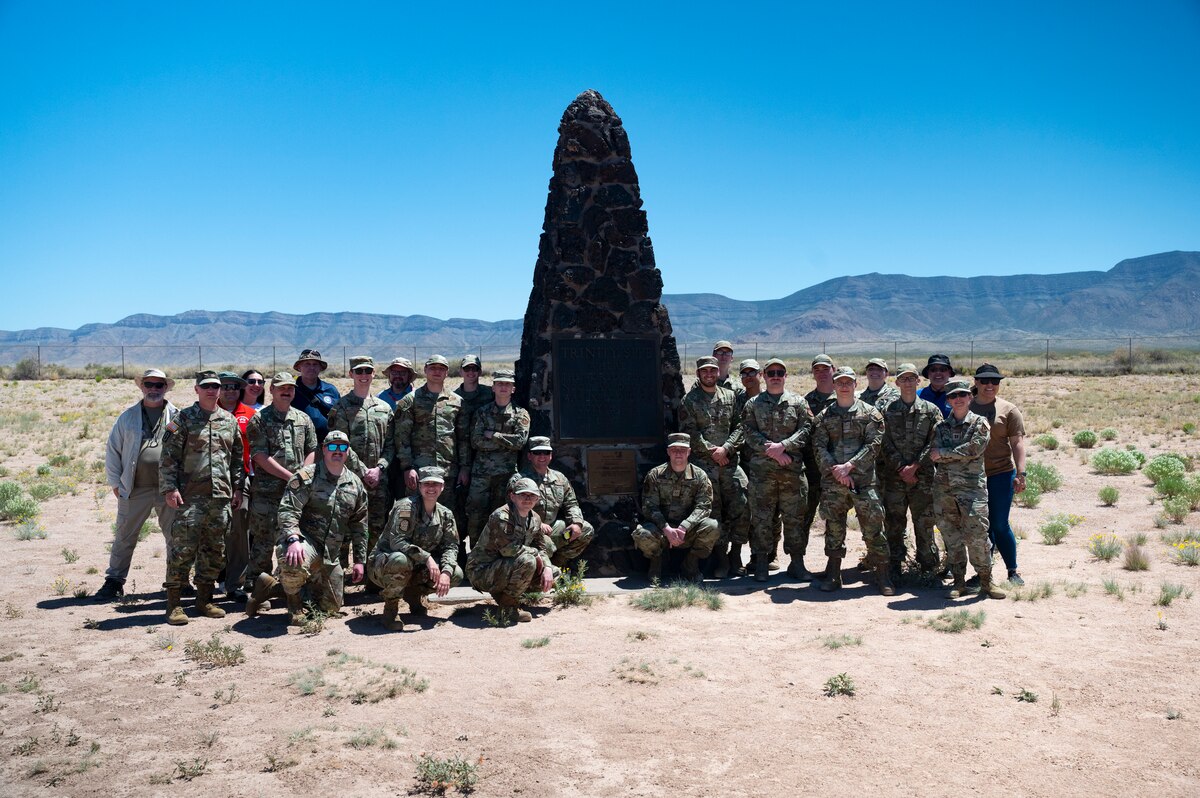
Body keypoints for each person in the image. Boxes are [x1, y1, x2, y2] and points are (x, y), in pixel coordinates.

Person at [159, 371, 245, 625]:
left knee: (214, 550)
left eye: (215, 386)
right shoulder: (183, 419)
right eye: (206, 386)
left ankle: (205, 600)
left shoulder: (229, 421)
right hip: (190, 497)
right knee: (182, 550)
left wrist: (238, 489)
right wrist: (169, 488)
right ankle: (174, 604)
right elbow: (168, 457)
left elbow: (237, 459)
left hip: (220, 498)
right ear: (196, 389)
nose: (211, 390)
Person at [97, 369, 180, 601]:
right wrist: (116, 483)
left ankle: (177, 581)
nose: (153, 389)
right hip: (135, 488)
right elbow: (113, 450)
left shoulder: (177, 417)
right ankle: (114, 581)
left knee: (176, 536)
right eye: (149, 384)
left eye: (158, 385)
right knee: (125, 536)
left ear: (166, 388)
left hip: (168, 488)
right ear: (141, 387)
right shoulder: (127, 417)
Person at [272, 430, 369, 626]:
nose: (337, 451)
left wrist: (360, 560)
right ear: (324, 450)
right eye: (332, 446)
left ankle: (271, 587)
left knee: (331, 607)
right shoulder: (307, 476)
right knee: (294, 561)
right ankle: (294, 605)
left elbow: (360, 524)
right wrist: (293, 538)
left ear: (348, 451)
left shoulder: (355, 484)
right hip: (305, 543)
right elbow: (288, 510)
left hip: (330, 554)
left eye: (342, 447)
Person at [811, 367, 892, 594]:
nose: (844, 386)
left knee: (873, 527)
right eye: (840, 382)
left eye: (848, 382)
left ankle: (882, 574)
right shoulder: (824, 417)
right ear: (834, 386)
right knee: (834, 527)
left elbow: (873, 445)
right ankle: (833, 573)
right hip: (834, 481)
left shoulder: (871, 414)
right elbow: (819, 446)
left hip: (864, 481)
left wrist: (850, 467)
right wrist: (837, 471)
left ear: (856, 384)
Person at [242, 372, 317, 601]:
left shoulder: (303, 418)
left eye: (290, 388)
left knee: (294, 540)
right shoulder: (259, 420)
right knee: (263, 544)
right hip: (267, 493)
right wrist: (291, 477)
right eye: (281, 388)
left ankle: (291, 587)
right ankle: (257, 592)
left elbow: (312, 449)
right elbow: (259, 456)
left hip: (296, 496)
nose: (286, 391)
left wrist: (303, 475)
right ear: (272, 390)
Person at [930, 380, 1006, 600]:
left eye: (962, 395)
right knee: (951, 536)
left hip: (972, 490)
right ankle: (959, 582)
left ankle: (986, 581)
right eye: (953, 396)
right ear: (948, 401)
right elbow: (933, 454)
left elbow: (974, 449)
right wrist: (949, 454)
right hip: (945, 490)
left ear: (970, 397)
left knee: (977, 536)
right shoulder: (940, 427)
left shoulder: (979, 423)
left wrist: (945, 453)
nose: (958, 399)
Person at [743, 358, 815, 582]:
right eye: (771, 373)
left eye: (780, 373)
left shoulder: (798, 403)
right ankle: (761, 563)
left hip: (791, 472)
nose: (775, 376)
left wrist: (783, 446)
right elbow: (748, 432)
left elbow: (806, 429)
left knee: (795, 519)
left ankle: (797, 563)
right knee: (761, 518)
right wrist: (772, 451)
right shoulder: (753, 404)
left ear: (785, 376)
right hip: (762, 473)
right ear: (764, 376)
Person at [679, 355, 749, 578]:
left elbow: (740, 426)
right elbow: (690, 432)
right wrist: (713, 452)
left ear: (718, 372)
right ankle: (722, 560)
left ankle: (736, 554)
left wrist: (726, 449)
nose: (709, 374)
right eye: (704, 371)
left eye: (712, 370)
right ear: (698, 374)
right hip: (705, 467)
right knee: (713, 511)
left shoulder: (730, 396)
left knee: (742, 506)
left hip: (729, 463)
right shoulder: (689, 401)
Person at [369, 466, 463, 631]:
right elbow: (397, 541)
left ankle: (413, 595)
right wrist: (427, 558)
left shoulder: (445, 514)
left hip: (416, 567)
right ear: (419, 486)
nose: (431, 488)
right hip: (385, 565)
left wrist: (446, 572)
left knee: (456, 573)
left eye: (435, 484)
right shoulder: (406, 508)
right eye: (427, 484)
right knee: (400, 560)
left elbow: (451, 546)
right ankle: (390, 609)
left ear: (442, 487)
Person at [878, 363, 942, 586]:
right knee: (894, 525)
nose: (907, 382)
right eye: (903, 379)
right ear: (896, 382)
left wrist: (914, 466)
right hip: (894, 478)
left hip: (922, 478)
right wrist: (901, 468)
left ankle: (928, 569)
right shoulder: (887, 410)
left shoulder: (931, 411)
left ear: (918, 381)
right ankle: (894, 569)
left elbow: (935, 441)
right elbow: (882, 441)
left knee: (924, 524)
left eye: (911, 378)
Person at [326, 356, 394, 561]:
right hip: (347, 479)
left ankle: (370, 571)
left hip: (379, 481)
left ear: (373, 374)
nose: (363, 375)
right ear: (351, 374)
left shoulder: (384, 408)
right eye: (358, 371)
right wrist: (364, 472)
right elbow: (340, 445)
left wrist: (379, 468)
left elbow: (391, 444)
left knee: (376, 528)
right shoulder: (341, 407)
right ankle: (340, 573)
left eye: (367, 371)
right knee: (344, 527)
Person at [466, 477, 556, 623]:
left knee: (553, 573)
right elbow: (507, 549)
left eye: (531, 495)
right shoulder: (502, 516)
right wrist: (535, 554)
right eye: (523, 495)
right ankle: (507, 609)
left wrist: (547, 567)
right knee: (528, 561)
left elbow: (541, 547)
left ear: (537, 498)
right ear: (513, 497)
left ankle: (505, 596)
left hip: (505, 567)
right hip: (482, 570)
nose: (527, 499)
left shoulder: (535, 519)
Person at [632, 433, 720, 582]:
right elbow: (649, 507)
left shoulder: (700, 476)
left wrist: (684, 527)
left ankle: (690, 564)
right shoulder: (655, 475)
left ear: (689, 452)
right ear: (668, 452)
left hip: (688, 531)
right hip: (662, 530)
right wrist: (666, 528)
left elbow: (704, 506)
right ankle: (656, 562)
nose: (678, 453)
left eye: (682, 450)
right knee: (642, 534)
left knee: (713, 527)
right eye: (674, 450)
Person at [969, 363, 1027, 586]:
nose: (989, 385)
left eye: (994, 381)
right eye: (984, 381)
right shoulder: (965, 405)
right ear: (976, 382)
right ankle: (983, 574)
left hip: (1001, 473)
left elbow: (1017, 443)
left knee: (999, 523)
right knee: (980, 527)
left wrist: (1021, 473)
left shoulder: (1009, 410)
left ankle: (1012, 571)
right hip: (972, 476)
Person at [389, 355, 469, 507]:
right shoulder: (410, 401)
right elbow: (402, 437)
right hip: (419, 472)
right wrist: (407, 467)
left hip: (448, 471)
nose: (437, 371)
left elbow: (463, 438)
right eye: (433, 368)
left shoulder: (457, 402)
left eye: (441, 368)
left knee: (446, 514)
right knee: (415, 512)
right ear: (425, 370)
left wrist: (464, 467)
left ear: (447, 372)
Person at [465, 368, 529, 547]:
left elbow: (520, 442)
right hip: (481, 474)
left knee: (503, 514)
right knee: (476, 514)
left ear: (513, 389)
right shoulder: (482, 412)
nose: (503, 387)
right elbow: (476, 442)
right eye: (499, 383)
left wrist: (493, 435)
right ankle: (476, 553)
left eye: (507, 384)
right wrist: (506, 443)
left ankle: (499, 552)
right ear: (493, 387)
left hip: (506, 474)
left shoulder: (520, 414)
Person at [517, 437, 595, 568]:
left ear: (551, 455)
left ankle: (557, 567)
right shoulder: (519, 480)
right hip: (529, 531)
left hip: (553, 528)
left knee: (585, 530)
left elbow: (571, 503)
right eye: (537, 453)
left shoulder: (559, 478)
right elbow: (514, 509)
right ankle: (538, 572)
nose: (542, 456)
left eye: (546, 452)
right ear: (530, 456)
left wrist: (576, 523)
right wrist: (537, 523)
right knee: (546, 545)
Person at [216, 371, 255, 601]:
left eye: (234, 387)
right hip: (208, 481)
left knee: (239, 532)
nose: (230, 391)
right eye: (225, 386)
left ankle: (235, 583)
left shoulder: (250, 415)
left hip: (241, 479)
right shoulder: (206, 412)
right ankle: (207, 581)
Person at [798, 354, 837, 568]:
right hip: (812, 470)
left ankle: (833, 564)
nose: (821, 373)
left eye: (825, 369)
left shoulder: (844, 397)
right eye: (817, 369)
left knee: (835, 518)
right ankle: (798, 562)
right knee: (804, 515)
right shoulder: (806, 401)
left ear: (834, 370)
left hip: (836, 471)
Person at [454, 354, 494, 532]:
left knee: (482, 503)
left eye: (474, 369)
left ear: (480, 371)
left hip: (485, 456)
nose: (471, 372)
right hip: (460, 456)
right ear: (461, 371)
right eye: (467, 369)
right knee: (460, 502)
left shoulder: (489, 394)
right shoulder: (454, 397)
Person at [291, 348, 340, 443]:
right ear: (299, 367)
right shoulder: (291, 390)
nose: (311, 367)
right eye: (307, 364)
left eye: (315, 364)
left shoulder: (331, 390)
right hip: (300, 445)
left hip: (328, 444)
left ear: (320, 368)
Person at [919, 354, 955, 418]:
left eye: (942, 369)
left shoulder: (960, 395)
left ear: (949, 373)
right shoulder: (918, 396)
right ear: (928, 373)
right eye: (933, 370)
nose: (938, 373)